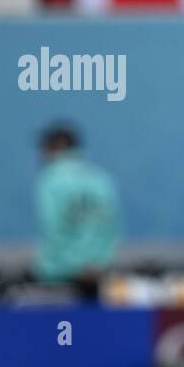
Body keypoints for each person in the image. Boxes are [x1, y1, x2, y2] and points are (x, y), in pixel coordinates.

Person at [35, 123, 119, 301]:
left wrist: (74, 265)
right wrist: (97, 264)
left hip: (61, 276)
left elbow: (54, 227)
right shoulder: (100, 178)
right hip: (99, 276)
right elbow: (112, 226)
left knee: (61, 327)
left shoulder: (51, 178)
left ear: (54, 147)